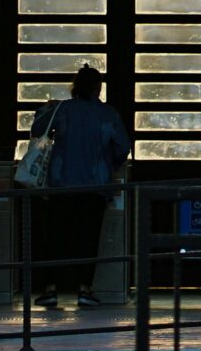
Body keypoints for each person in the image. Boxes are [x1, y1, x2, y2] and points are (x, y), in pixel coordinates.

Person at [25, 65, 129, 309]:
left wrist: (46, 108)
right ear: (97, 88)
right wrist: (109, 163)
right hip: (95, 185)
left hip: (62, 184)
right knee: (88, 238)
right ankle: (84, 290)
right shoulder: (108, 114)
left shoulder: (62, 110)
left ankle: (51, 289)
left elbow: (37, 130)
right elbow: (123, 146)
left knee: (57, 238)